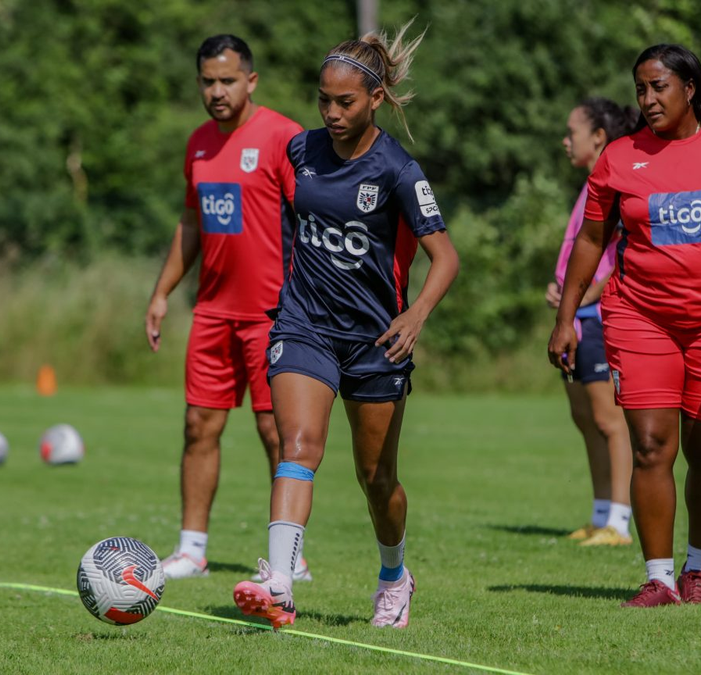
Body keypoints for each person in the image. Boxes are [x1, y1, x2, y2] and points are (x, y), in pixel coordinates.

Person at [233, 20, 458, 629]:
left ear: (376, 99)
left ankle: (394, 577)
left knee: (376, 477)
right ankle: (278, 582)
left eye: (345, 102)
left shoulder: (398, 169)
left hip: (374, 340)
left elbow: (447, 257)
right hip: (304, 324)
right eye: (323, 100)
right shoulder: (299, 150)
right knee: (297, 446)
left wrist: (415, 313)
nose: (331, 112)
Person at [548, 44, 701, 607]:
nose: (647, 99)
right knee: (652, 446)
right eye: (640, 89)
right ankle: (658, 578)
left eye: (658, 87)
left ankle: (697, 570)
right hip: (640, 316)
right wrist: (565, 317)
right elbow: (591, 239)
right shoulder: (620, 157)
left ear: (690, 88)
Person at [145, 35, 305, 580]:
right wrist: (163, 291)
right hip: (212, 313)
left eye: (227, 80)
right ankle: (191, 549)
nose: (217, 91)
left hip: (273, 315)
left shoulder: (284, 137)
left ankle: (289, 558)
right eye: (208, 81)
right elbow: (191, 223)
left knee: (274, 432)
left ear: (251, 81)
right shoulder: (196, 144)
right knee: (198, 426)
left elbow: (310, 221)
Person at [548, 98, 636, 547]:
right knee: (584, 417)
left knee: (609, 420)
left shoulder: (617, 183)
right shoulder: (589, 185)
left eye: (573, 132)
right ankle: (601, 514)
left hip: (600, 317)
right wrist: (561, 292)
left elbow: (621, 257)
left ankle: (620, 523)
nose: (566, 140)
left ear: (598, 137)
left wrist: (583, 294)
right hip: (575, 318)